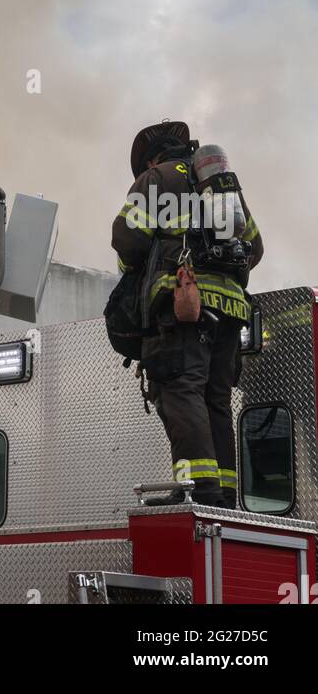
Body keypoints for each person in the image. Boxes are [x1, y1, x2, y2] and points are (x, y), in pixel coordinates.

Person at [112, 120, 263, 508]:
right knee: (215, 399)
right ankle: (224, 495)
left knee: (181, 392)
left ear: (151, 158)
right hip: (231, 309)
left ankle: (198, 491)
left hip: (182, 308)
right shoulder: (222, 185)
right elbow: (255, 248)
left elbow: (128, 241)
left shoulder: (155, 178)